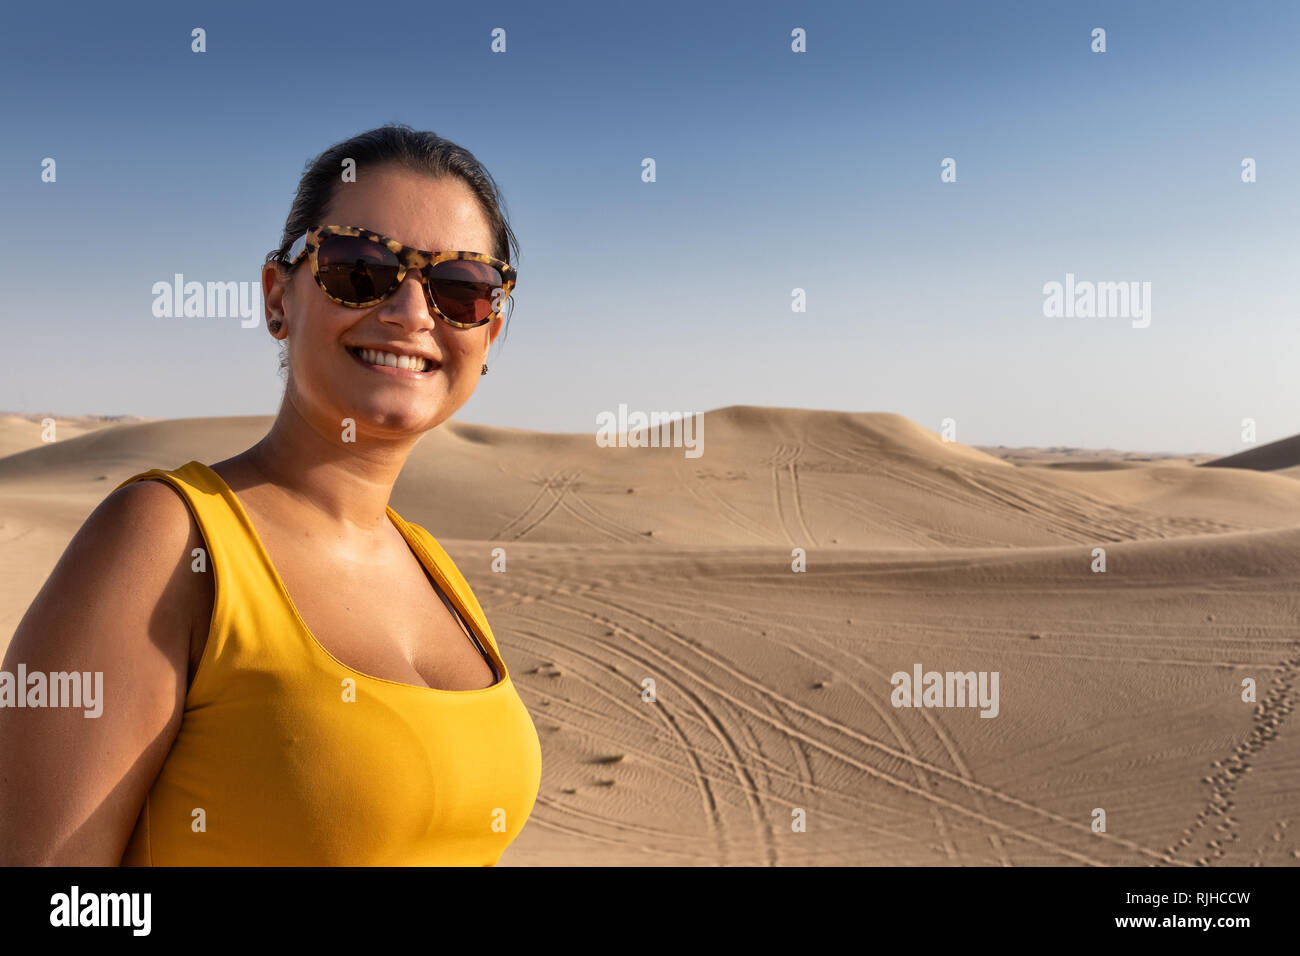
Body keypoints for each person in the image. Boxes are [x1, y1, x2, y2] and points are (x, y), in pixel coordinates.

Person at [0, 124, 542, 865]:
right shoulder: (169, 540)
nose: (413, 312)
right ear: (276, 296)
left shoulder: (435, 571)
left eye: (461, 288)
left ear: (490, 330)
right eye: (360, 266)